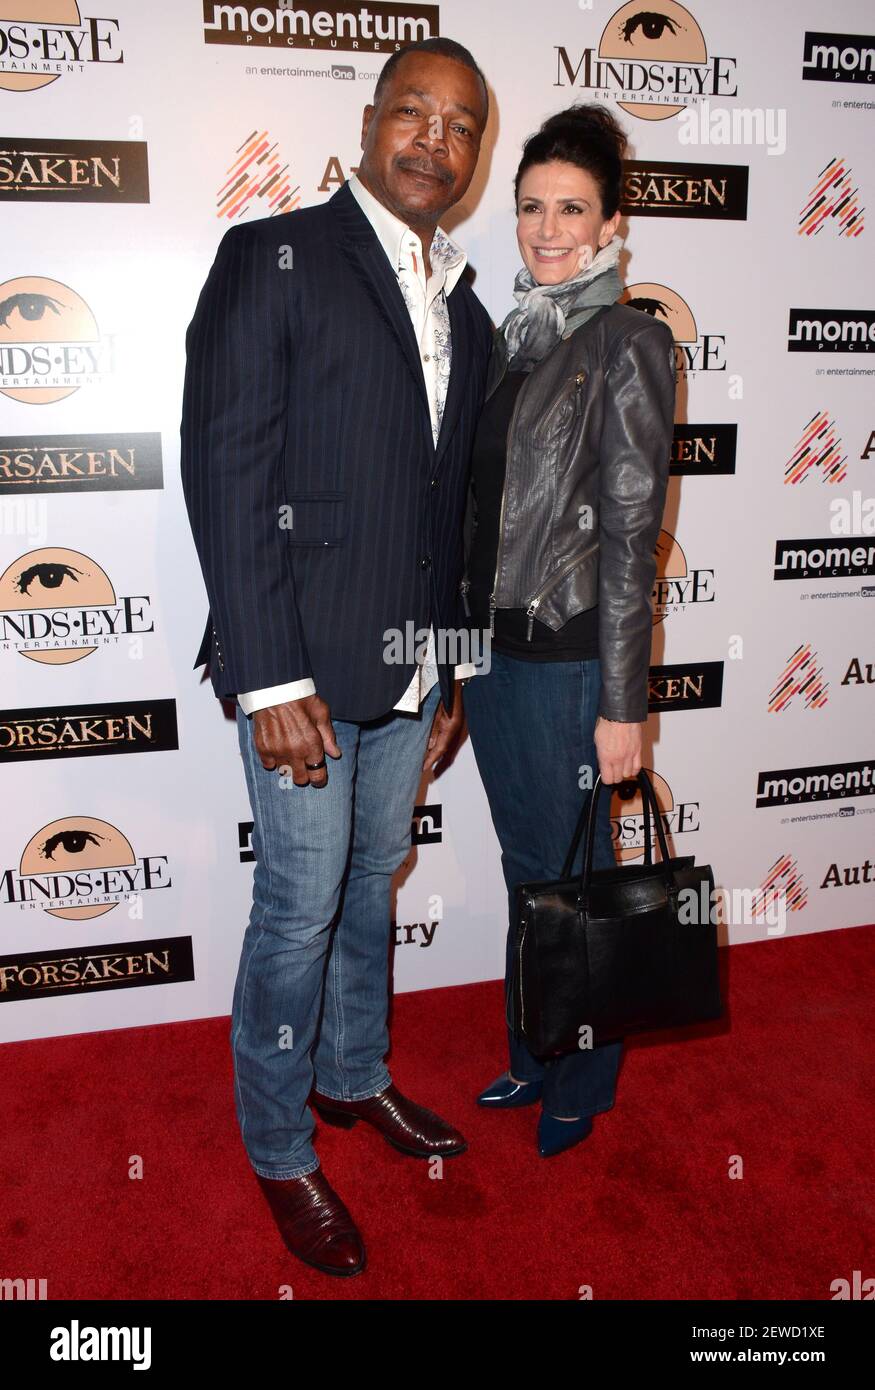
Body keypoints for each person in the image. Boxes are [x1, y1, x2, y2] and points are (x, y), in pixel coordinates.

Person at [180, 37, 493, 1276]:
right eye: (412, 112)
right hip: (299, 678)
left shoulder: (461, 305)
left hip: (407, 675)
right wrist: (267, 679)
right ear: (367, 125)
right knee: (299, 908)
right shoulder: (274, 257)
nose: (434, 138)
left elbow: (449, 509)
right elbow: (228, 466)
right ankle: (277, 1149)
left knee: (371, 890)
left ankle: (352, 1078)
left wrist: (452, 666)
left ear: (473, 154)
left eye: (460, 124)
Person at [462, 104, 676, 1157]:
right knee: (525, 870)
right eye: (532, 205)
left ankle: (582, 1077)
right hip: (496, 659)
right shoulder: (510, 338)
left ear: (608, 224)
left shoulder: (628, 340)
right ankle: (536, 1044)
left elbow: (632, 536)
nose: (548, 227)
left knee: (576, 880)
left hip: (567, 661)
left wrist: (620, 705)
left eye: (572, 209)